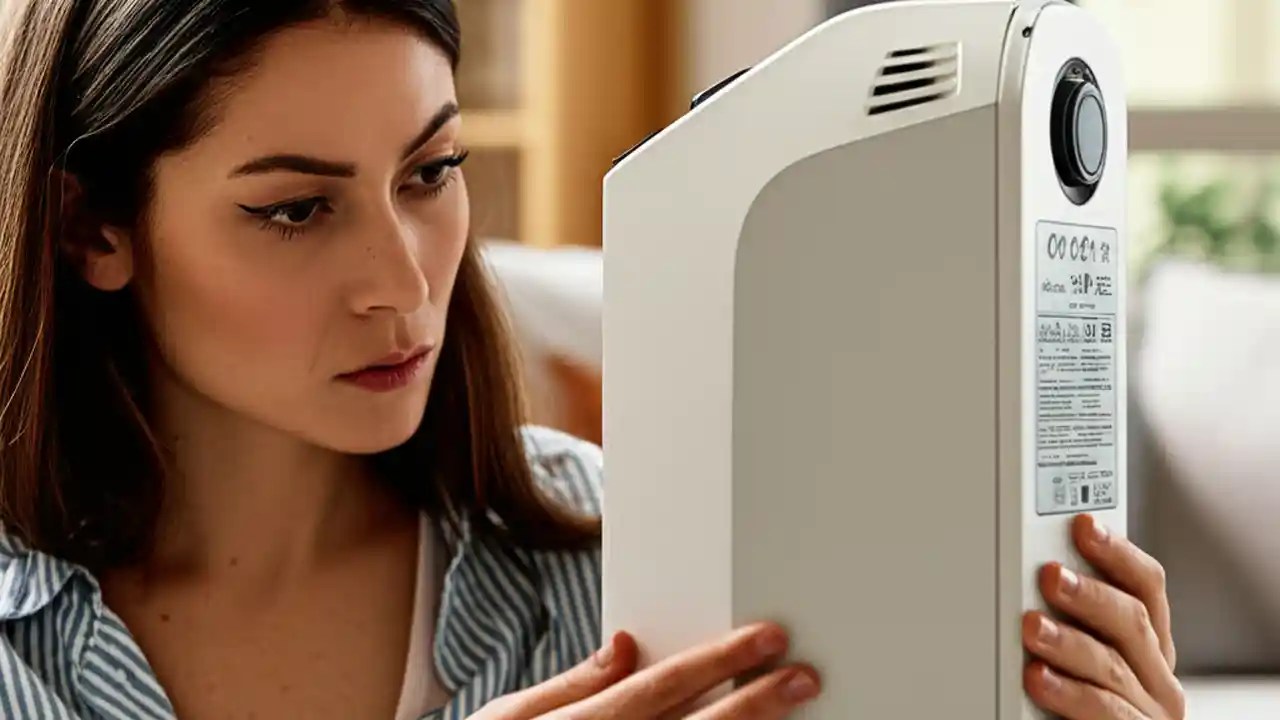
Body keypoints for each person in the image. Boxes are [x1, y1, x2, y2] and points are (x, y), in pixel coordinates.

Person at [0, 1, 1183, 719]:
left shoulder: (642, 558)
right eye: (296, 210)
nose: (403, 281)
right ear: (90, 229)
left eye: (430, 173)